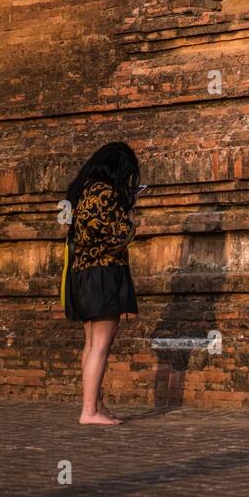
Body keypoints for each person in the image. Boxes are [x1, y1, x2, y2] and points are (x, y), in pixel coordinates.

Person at [61, 141, 142, 426]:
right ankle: (89, 411)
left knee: (91, 344)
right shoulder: (105, 193)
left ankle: (94, 405)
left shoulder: (82, 190)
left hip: (83, 275)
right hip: (104, 274)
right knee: (100, 346)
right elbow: (112, 238)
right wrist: (131, 218)